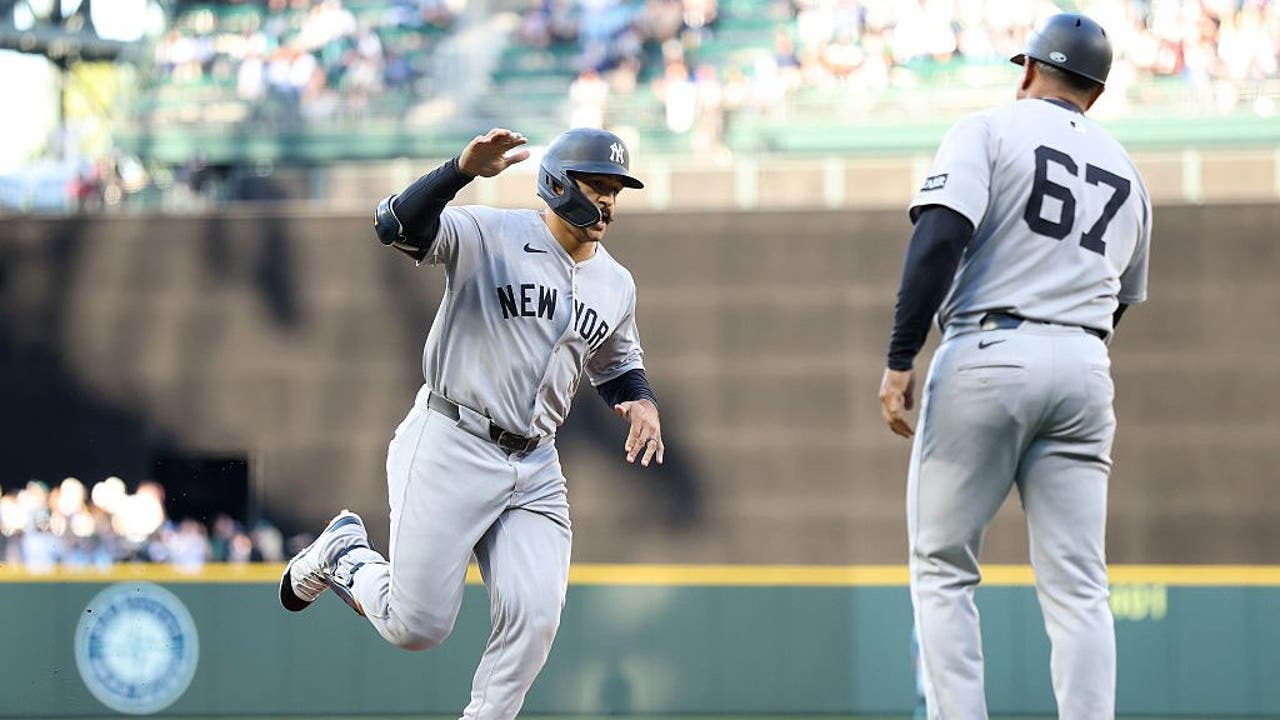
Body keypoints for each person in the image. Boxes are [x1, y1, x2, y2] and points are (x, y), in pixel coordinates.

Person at [279, 126, 663, 719]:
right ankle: (345, 555)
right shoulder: (491, 232)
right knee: (416, 627)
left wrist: (640, 400)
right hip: (453, 440)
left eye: (617, 188)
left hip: (535, 463)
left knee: (535, 616)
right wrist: (460, 169)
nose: (609, 200)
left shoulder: (616, 282)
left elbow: (618, 360)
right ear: (559, 183)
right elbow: (394, 225)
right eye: (598, 184)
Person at [877, 13, 1151, 720]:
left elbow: (939, 239)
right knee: (1080, 586)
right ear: (1096, 90)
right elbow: (1119, 301)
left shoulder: (989, 128)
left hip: (991, 348)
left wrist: (901, 357)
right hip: (1087, 365)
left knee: (942, 570)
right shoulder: (1129, 171)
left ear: (1028, 68)